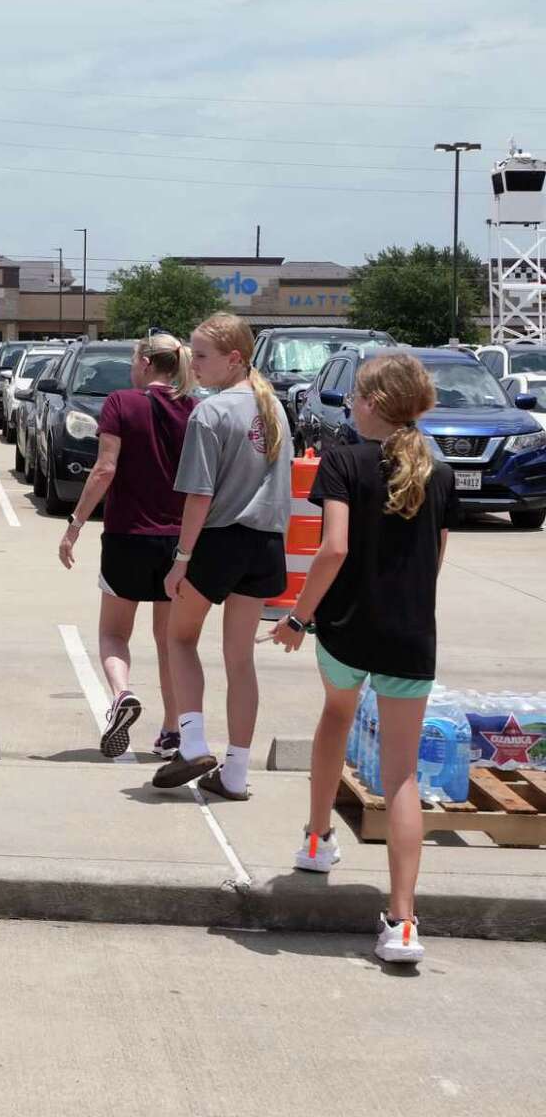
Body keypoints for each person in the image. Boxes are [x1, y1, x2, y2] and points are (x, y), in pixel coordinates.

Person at [273, 354, 453, 965]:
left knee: (335, 718)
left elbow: (333, 549)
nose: (348, 404)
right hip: (409, 636)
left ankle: (318, 839)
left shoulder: (343, 462)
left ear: (374, 403)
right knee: (401, 776)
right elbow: (437, 555)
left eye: (354, 396)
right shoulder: (438, 472)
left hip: (347, 631)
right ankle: (402, 922)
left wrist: (298, 618)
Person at [152, 311, 293, 798]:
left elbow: (198, 495)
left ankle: (192, 742)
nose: (195, 364)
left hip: (219, 538)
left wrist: (182, 557)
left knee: (180, 638)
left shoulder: (209, 413)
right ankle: (235, 772)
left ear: (235, 358)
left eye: (204, 356)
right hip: (266, 541)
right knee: (240, 660)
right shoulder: (273, 406)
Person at [58, 332, 198, 759]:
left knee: (114, 633)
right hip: (179, 542)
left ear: (144, 362)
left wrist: (75, 523)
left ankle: (121, 695)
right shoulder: (194, 409)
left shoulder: (121, 403)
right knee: (171, 640)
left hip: (127, 537)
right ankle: (173, 731)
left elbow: (104, 469)